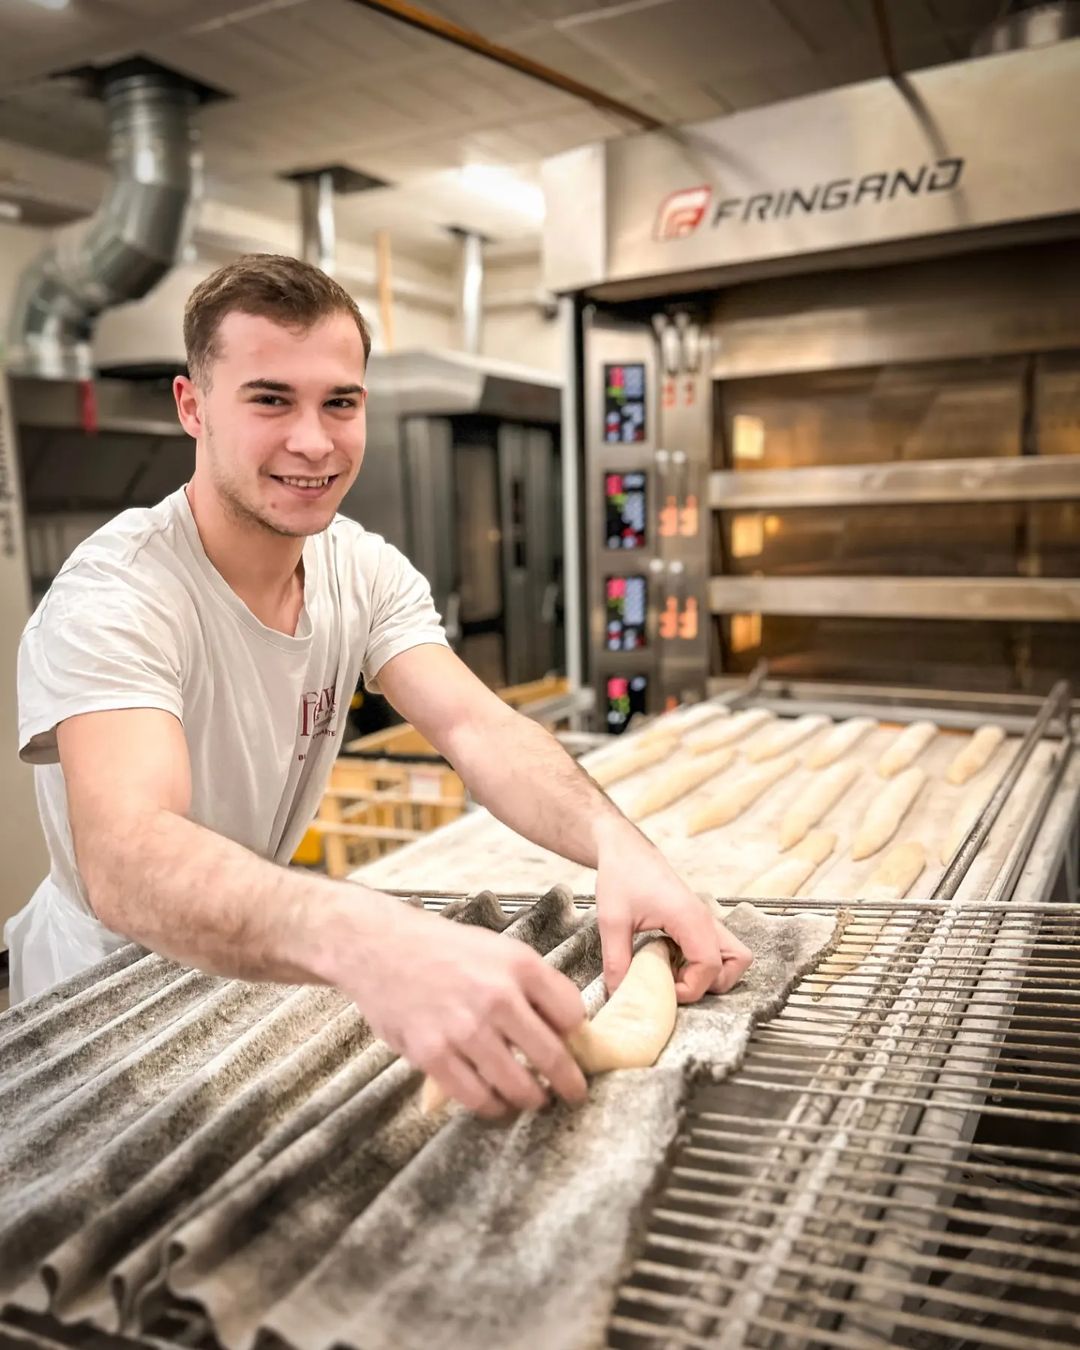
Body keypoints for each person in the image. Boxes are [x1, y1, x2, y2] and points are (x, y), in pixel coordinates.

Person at [6, 253, 752, 1117]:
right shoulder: (118, 593)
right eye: (270, 399)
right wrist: (373, 938)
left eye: (341, 402)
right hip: (102, 1000)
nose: (314, 441)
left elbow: (478, 730)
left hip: (252, 970)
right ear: (192, 406)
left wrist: (618, 845)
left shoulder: (357, 567)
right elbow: (128, 859)